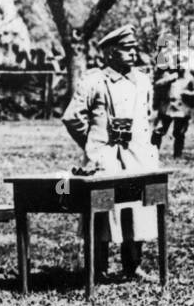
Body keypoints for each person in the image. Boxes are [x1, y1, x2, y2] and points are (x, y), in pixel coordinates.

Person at [61, 24, 160, 282]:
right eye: (126, 49)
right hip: (105, 156)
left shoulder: (142, 79)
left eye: (134, 48)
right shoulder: (94, 80)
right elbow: (72, 117)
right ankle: (98, 268)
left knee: (137, 209)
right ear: (110, 53)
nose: (133, 53)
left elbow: (146, 115)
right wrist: (93, 143)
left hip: (137, 155)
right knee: (101, 211)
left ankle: (133, 265)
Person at [151, 55, 194, 158]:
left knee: (179, 133)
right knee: (158, 130)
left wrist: (187, 93)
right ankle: (152, 153)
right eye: (178, 64)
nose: (180, 66)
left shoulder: (189, 77)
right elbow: (157, 84)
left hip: (181, 108)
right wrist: (169, 79)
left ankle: (177, 155)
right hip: (167, 107)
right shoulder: (168, 74)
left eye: (183, 64)